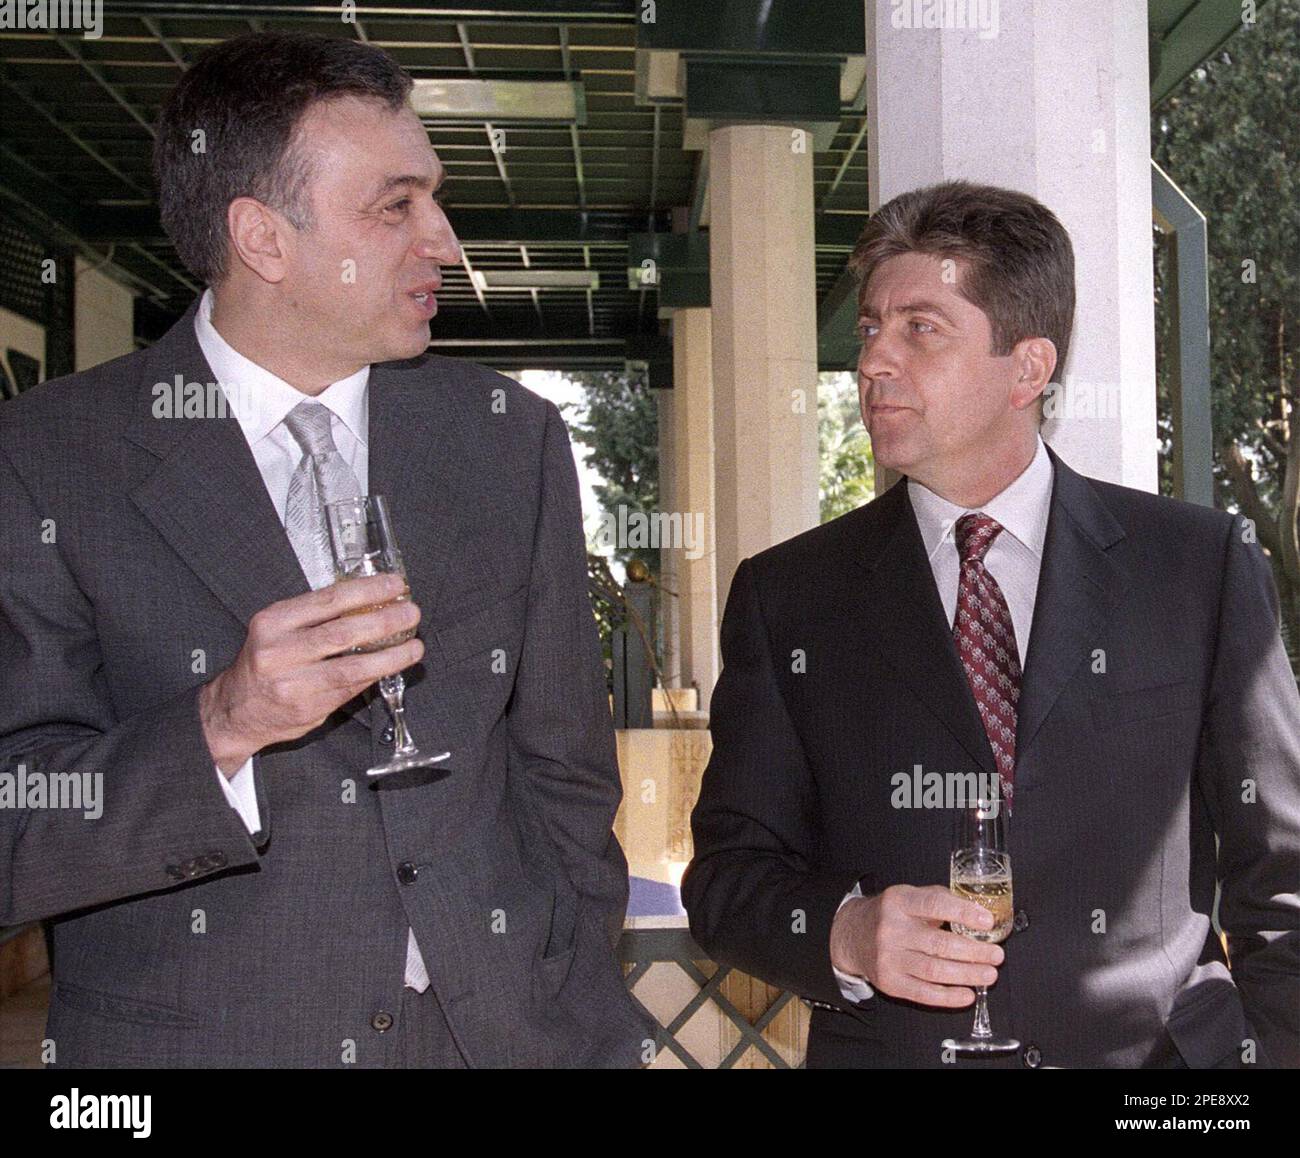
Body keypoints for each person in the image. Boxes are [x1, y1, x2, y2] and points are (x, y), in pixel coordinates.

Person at [0, 31, 651, 1068]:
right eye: (393, 206)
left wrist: (569, 984)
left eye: (432, 197)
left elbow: (566, 771)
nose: (441, 237)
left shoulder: (506, 438)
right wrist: (223, 723)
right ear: (263, 238)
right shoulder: (46, 457)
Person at [682, 180, 1300, 1068]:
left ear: (1030, 367)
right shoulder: (788, 597)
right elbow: (728, 878)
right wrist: (848, 935)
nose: (873, 363)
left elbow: (1281, 873)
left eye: (920, 328)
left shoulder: (1196, 568)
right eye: (870, 329)